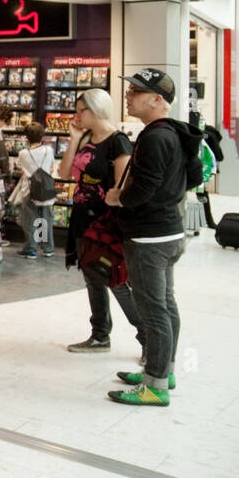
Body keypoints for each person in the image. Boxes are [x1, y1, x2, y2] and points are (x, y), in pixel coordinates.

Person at [105, 68, 200, 407]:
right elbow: (191, 178)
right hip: (168, 232)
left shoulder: (156, 137)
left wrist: (119, 198)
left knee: (153, 310)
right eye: (130, 89)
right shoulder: (172, 133)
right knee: (165, 304)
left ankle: (155, 384)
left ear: (157, 99)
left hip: (149, 239)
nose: (128, 95)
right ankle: (163, 371)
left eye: (136, 91)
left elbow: (145, 186)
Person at [57, 89, 141, 354]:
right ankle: (100, 334)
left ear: (95, 110)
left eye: (81, 110)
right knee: (92, 277)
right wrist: (73, 140)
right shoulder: (84, 138)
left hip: (106, 223)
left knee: (115, 280)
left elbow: (120, 186)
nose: (77, 115)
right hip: (82, 218)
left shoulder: (118, 142)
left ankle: (149, 337)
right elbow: (65, 173)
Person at [14, 122, 56, 259]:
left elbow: (22, 170)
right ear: (42, 136)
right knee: (46, 218)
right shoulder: (49, 150)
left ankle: (31, 248)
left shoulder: (23, 154)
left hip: (30, 190)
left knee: (30, 219)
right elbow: (51, 167)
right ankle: (47, 248)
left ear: (27, 137)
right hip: (47, 189)